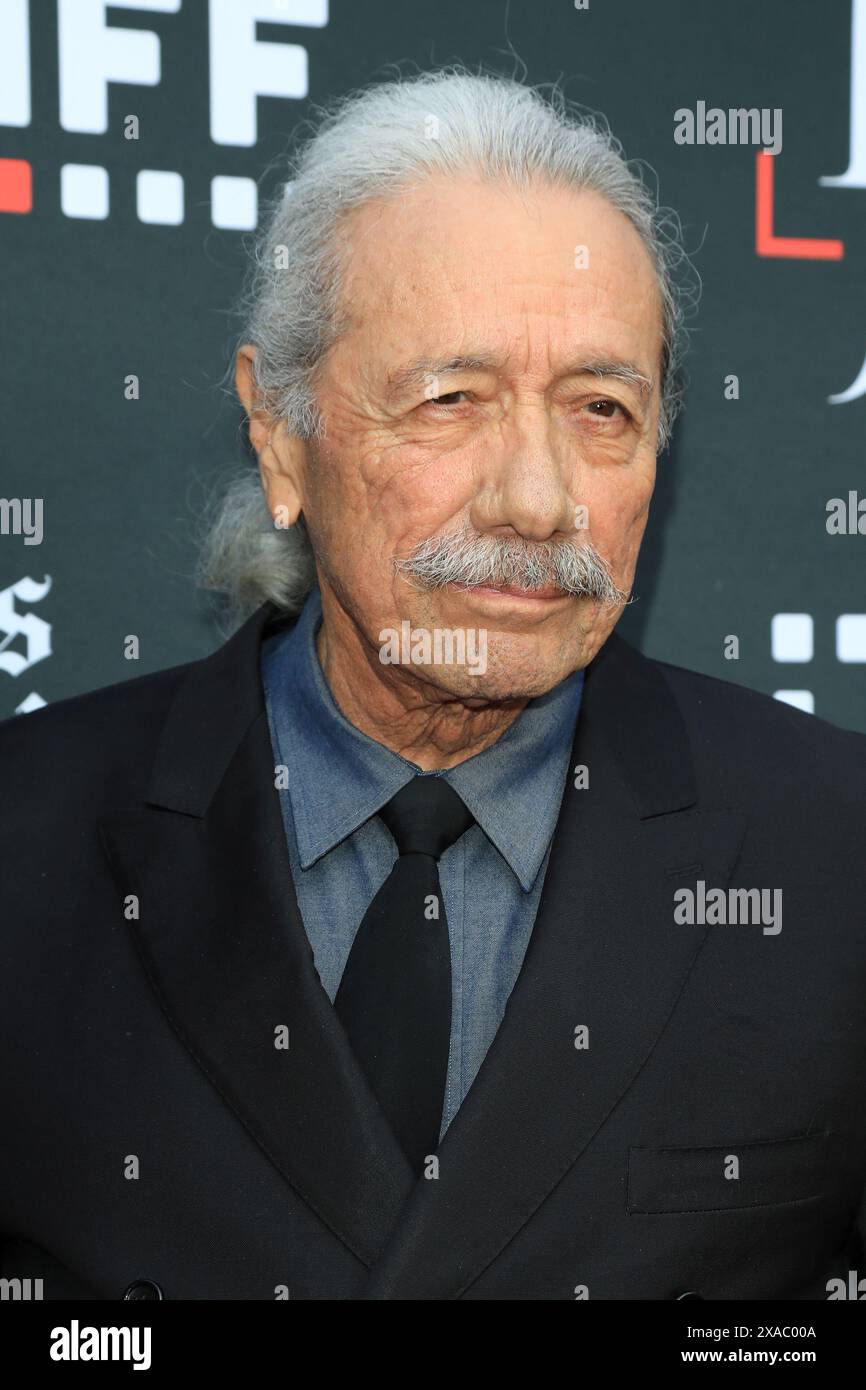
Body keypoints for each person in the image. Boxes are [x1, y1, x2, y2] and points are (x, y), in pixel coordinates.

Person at [2, 68, 865, 1301]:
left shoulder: (833, 852)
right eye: (450, 400)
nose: (533, 495)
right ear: (278, 433)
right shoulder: (25, 841)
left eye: (601, 408)